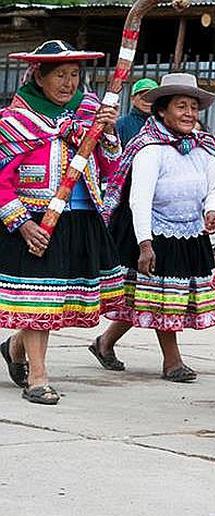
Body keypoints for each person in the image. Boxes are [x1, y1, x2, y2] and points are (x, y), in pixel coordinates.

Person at [0, 40, 124, 404]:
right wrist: (22, 223)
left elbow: (109, 167)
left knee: (53, 300)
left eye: (74, 75)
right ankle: (38, 378)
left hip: (80, 219)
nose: (69, 83)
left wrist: (109, 134)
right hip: (34, 220)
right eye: (60, 75)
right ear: (39, 76)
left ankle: (15, 346)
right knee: (39, 299)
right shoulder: (13, 122)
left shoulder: (89, 114)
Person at [91, 73, 215, 382]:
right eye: (181, 106)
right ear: (162, 111)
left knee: (145, 299)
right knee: (165, 299)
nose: (190, 114)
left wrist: (212, 209)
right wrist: (145, 244)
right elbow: (139, 199)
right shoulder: (150, 149)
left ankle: (104, 343)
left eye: (193, 107)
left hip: (189, 232)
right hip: (152, 231)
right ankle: (172, 361)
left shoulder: (203, 148)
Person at [116, 78, 158, 145]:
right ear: (133, 99)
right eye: (143, 97)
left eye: (152, 97)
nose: (147, 101)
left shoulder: (165, 124)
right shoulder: (122, 125)